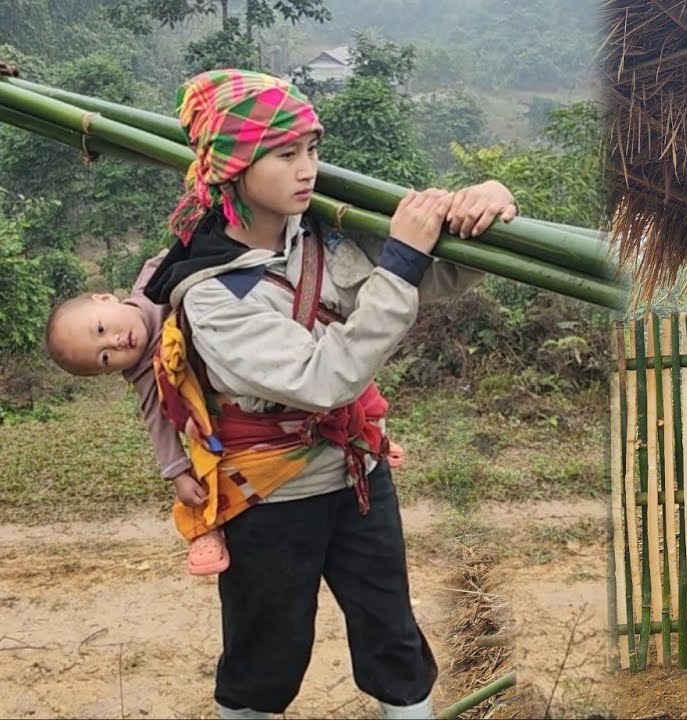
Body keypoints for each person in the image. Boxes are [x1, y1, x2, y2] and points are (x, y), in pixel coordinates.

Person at [142, 69, 518, 719]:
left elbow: (434, 274)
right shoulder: (210, 291)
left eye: (312, 149)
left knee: (393, 637)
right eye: (286, 154)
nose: (307, 168)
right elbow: (324, 378)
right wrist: (401, 257)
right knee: (267, 654)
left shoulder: (321, 230)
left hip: (358, 476)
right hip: (271, 496)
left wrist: (488, 204)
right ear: (232, 166)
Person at [42, 253, 407, 577]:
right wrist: (178, 475)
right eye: (104, 357)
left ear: (105, 298)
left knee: (341, 374)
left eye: (101, 329)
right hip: (219, 424)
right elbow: (158, 426)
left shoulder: (154, 281)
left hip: (270, 345)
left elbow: (183, 246)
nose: (115, 342)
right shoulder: (142, 372)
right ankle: (205, 528)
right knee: (206, 464)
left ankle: (373, 438)